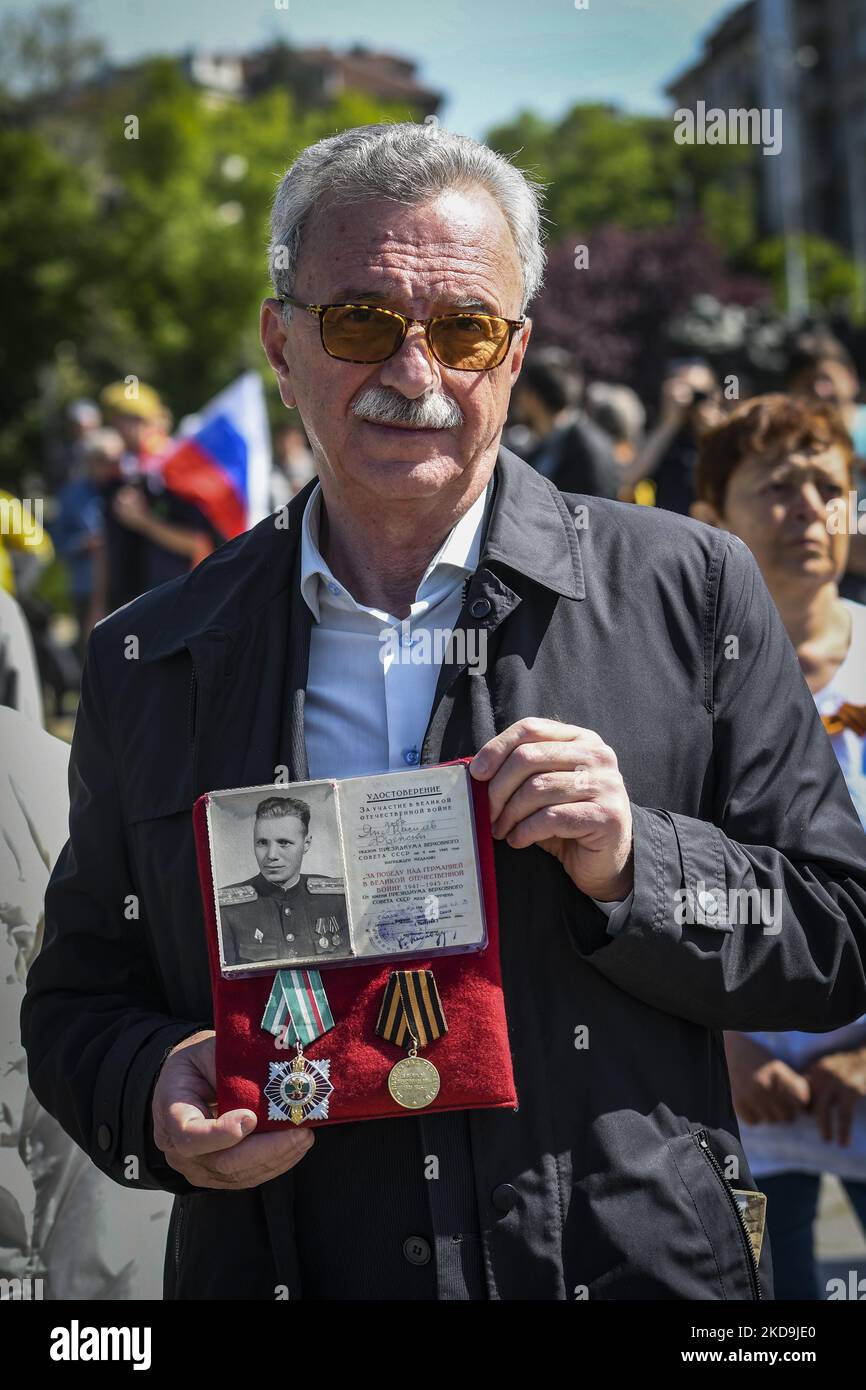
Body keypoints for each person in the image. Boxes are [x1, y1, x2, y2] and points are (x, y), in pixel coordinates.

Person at [21, 123, 866, 1303]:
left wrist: (638, 864)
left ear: (513, 353)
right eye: (361, 321)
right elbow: (75, 1001)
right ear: (281, 339)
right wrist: (151, 1083)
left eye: (463, 329)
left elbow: (837, 931)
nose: (413, 373)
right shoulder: (148, 655)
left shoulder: (690, 588)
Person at [692, 393, 866, 1298]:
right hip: (739, 1099)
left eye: (830, 486)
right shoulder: (687, 686)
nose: (810, 509)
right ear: (711, 520)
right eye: (777, 485)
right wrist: (725, 1046)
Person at [219, 796, 347, 966]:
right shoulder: (228, 909)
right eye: (262, 843)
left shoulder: (336, 899)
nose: (271, 855)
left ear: (306, 844)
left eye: (284, 843)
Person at [786, 334, 866, 603]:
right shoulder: (788, 449)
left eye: (827, 379)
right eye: (808, 384)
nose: (820, 391)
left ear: (851, 378)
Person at [507, 347, 620, 498]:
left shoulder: (588, 453)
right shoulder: (545, 446)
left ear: (533, 397)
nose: (516, 399)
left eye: (520, 390)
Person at [622, 358, 725, 514]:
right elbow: (627, 481)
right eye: (687, 391)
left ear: (715, 395)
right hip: (668, 529)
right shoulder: (664, 435)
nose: (694, 400)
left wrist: (714, 435)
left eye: (700, 393)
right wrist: (669, 424)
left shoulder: (725, 434)